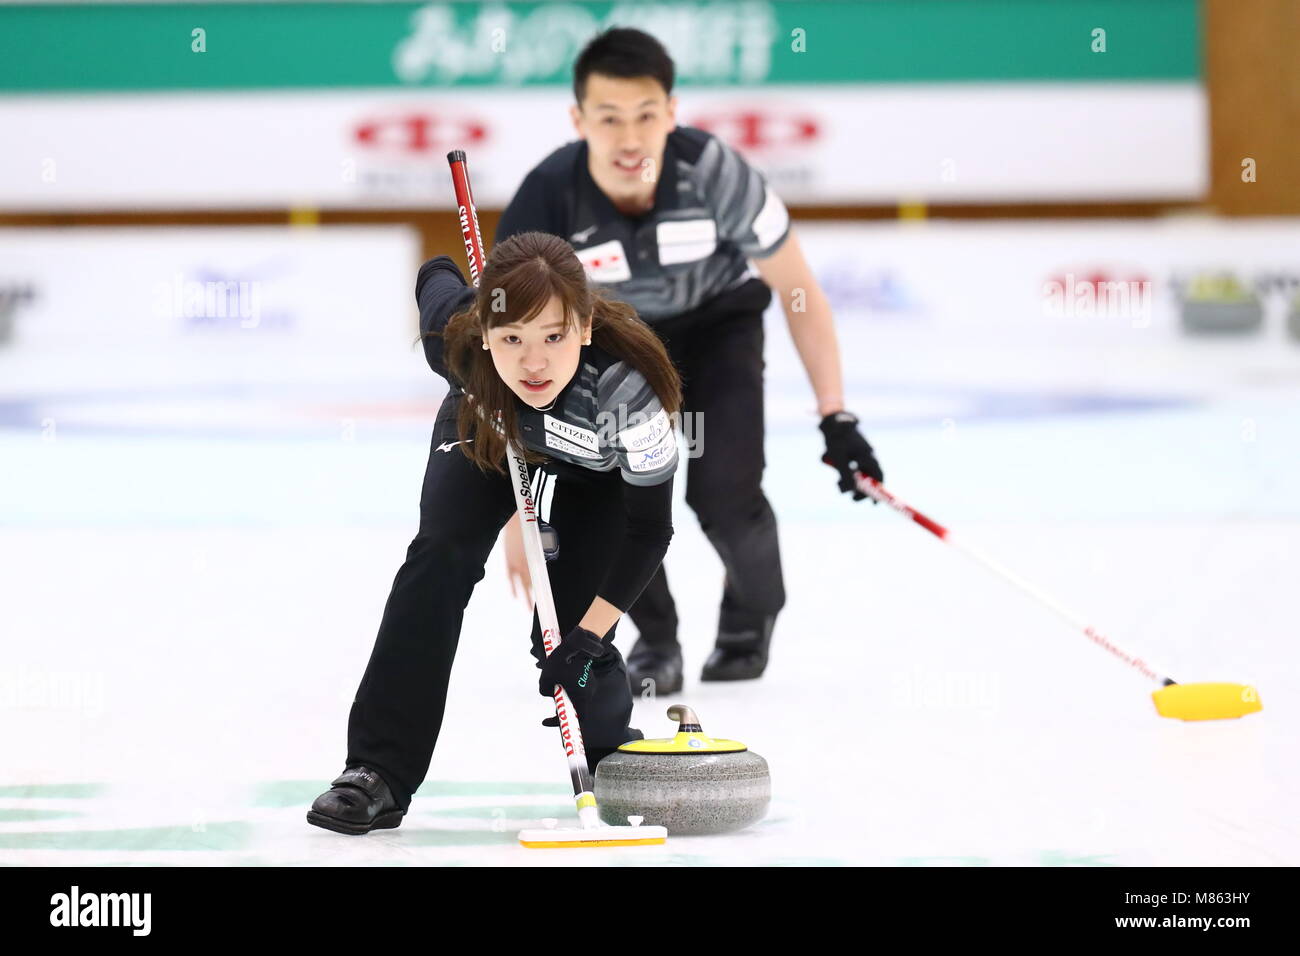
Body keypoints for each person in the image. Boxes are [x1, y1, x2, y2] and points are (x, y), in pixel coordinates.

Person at [494, 28, 884, 694]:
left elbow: (799, 292)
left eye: (647, 115)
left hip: (718, 329)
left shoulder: (716, 176)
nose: (629, 138)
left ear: (673, 112)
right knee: (615, 492)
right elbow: (509, 348)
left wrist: (835, 415)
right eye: (609, 117)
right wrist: (515, 499)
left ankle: (750, 616)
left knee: (724, 493)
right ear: (577, 119)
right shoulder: (546, 199)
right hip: (615, 340)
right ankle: (657, 641)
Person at [307, 230, 682, 835]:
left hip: (596, 477)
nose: (534, 363)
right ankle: (377, 771)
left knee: (566, 640)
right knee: (440, 559)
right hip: (489, 432)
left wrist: (586, 637)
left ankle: (612, 751)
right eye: (512, 339)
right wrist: (467, 294)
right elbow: (435, 271)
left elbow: (651, 529)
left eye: (554, 337)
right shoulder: (457, 341)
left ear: (584, 327)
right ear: (484, 332)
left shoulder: (627, 396)